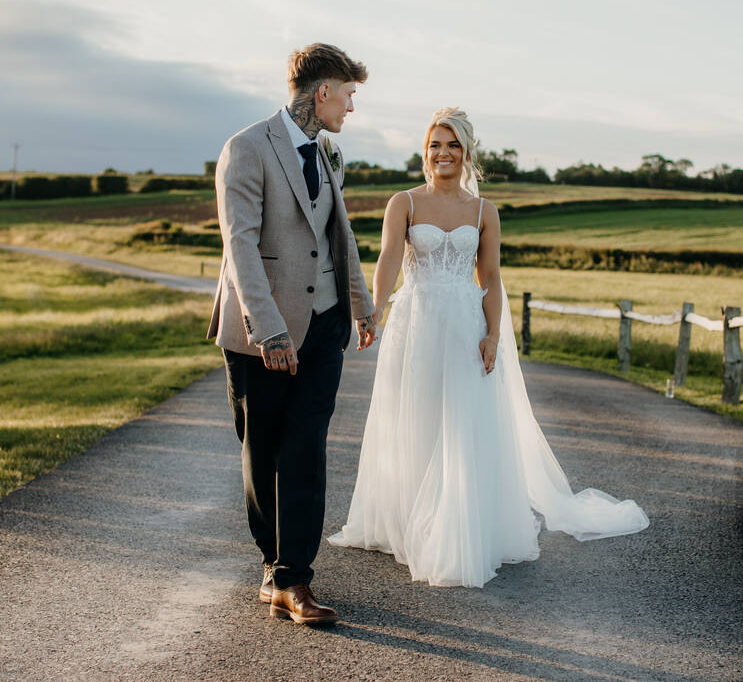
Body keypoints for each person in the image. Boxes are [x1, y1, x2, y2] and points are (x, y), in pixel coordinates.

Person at [328, 107, 648, 587]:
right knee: (414, 416)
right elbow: (390, 259)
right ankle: (403, 522)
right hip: (415, 323)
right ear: (425, 152)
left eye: (453, 145)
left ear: (468, 153)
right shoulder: (405, 203)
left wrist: (493, 333)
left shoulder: (484, 212)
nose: (444, 153)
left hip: (464, 324)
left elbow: (491, 278)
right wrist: (372, 311)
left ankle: (456, 526)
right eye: (436, 144)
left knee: (460, 420)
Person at [207, 43, 377, 625]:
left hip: (325, 325)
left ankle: (295, 579)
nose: (352, 107)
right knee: (263, 451)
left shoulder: (328, 153)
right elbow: (241, 246)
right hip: (265, 332)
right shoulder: (247, 148)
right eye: (349, 94)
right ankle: (271, 564)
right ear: (323, 91)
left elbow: (340, 235)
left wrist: (361, 306)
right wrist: (270, 330)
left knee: (307, 450)